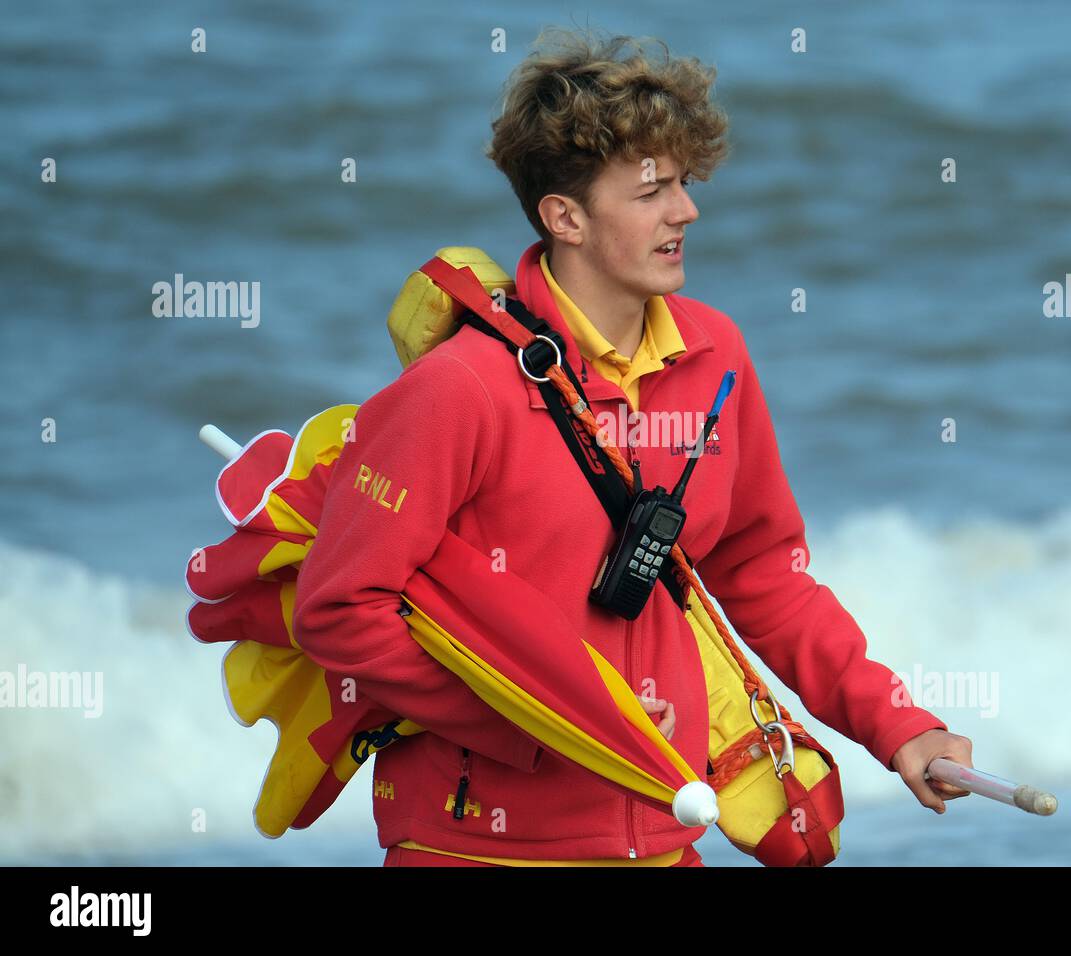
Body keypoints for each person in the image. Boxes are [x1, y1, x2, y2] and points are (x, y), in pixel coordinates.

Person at [292, 27, 972, 868]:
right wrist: (532, 721)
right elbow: (338, 607)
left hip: (660, 831)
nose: (685, 211)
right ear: (565, 216)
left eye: (683, 184)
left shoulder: (715, 358)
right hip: (473, 847)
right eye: (651, 191)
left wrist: (897, 723)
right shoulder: (458, 389)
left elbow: (764, 576)